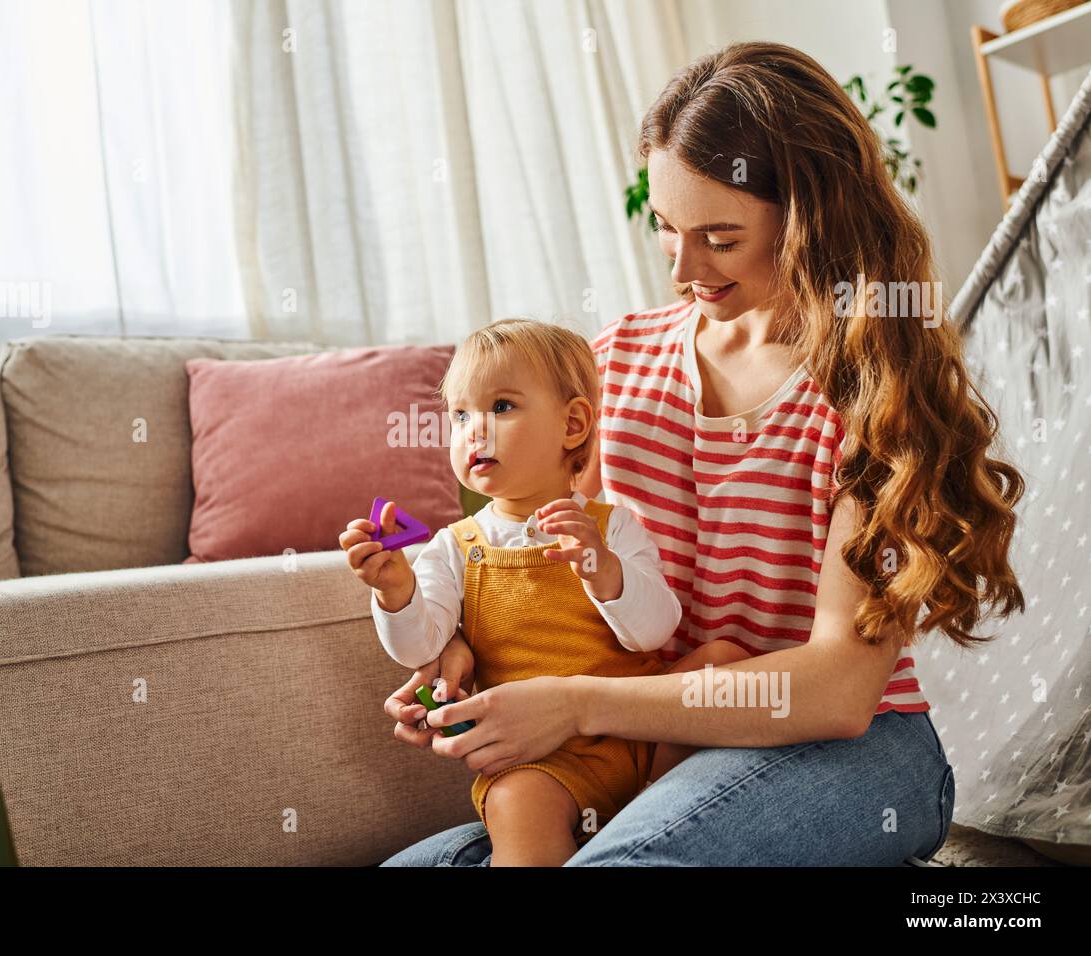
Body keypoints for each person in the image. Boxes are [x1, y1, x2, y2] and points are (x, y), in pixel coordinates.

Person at [377, 40, 1026, 866]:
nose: (684, 268)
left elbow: (837, 690)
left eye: (720, 237)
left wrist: (576, 706)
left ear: (808, 219)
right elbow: (557, 561)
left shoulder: (876, 390)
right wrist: (461, 651)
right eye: (665, 229)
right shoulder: (615, 362)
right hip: (652, 744)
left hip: (852, 749)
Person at [340, 318, 749, 865]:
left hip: (644, 731)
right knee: (516, 800)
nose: (474, 431)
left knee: (722, 662)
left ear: (573, 424)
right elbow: (419, 649)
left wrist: (603, 570)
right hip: (538, 758)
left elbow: (656, 630)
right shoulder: (453, 546)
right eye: (460, 416)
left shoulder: (613, 527)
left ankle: (649, 825)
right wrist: (395, 591)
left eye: (501, 407)